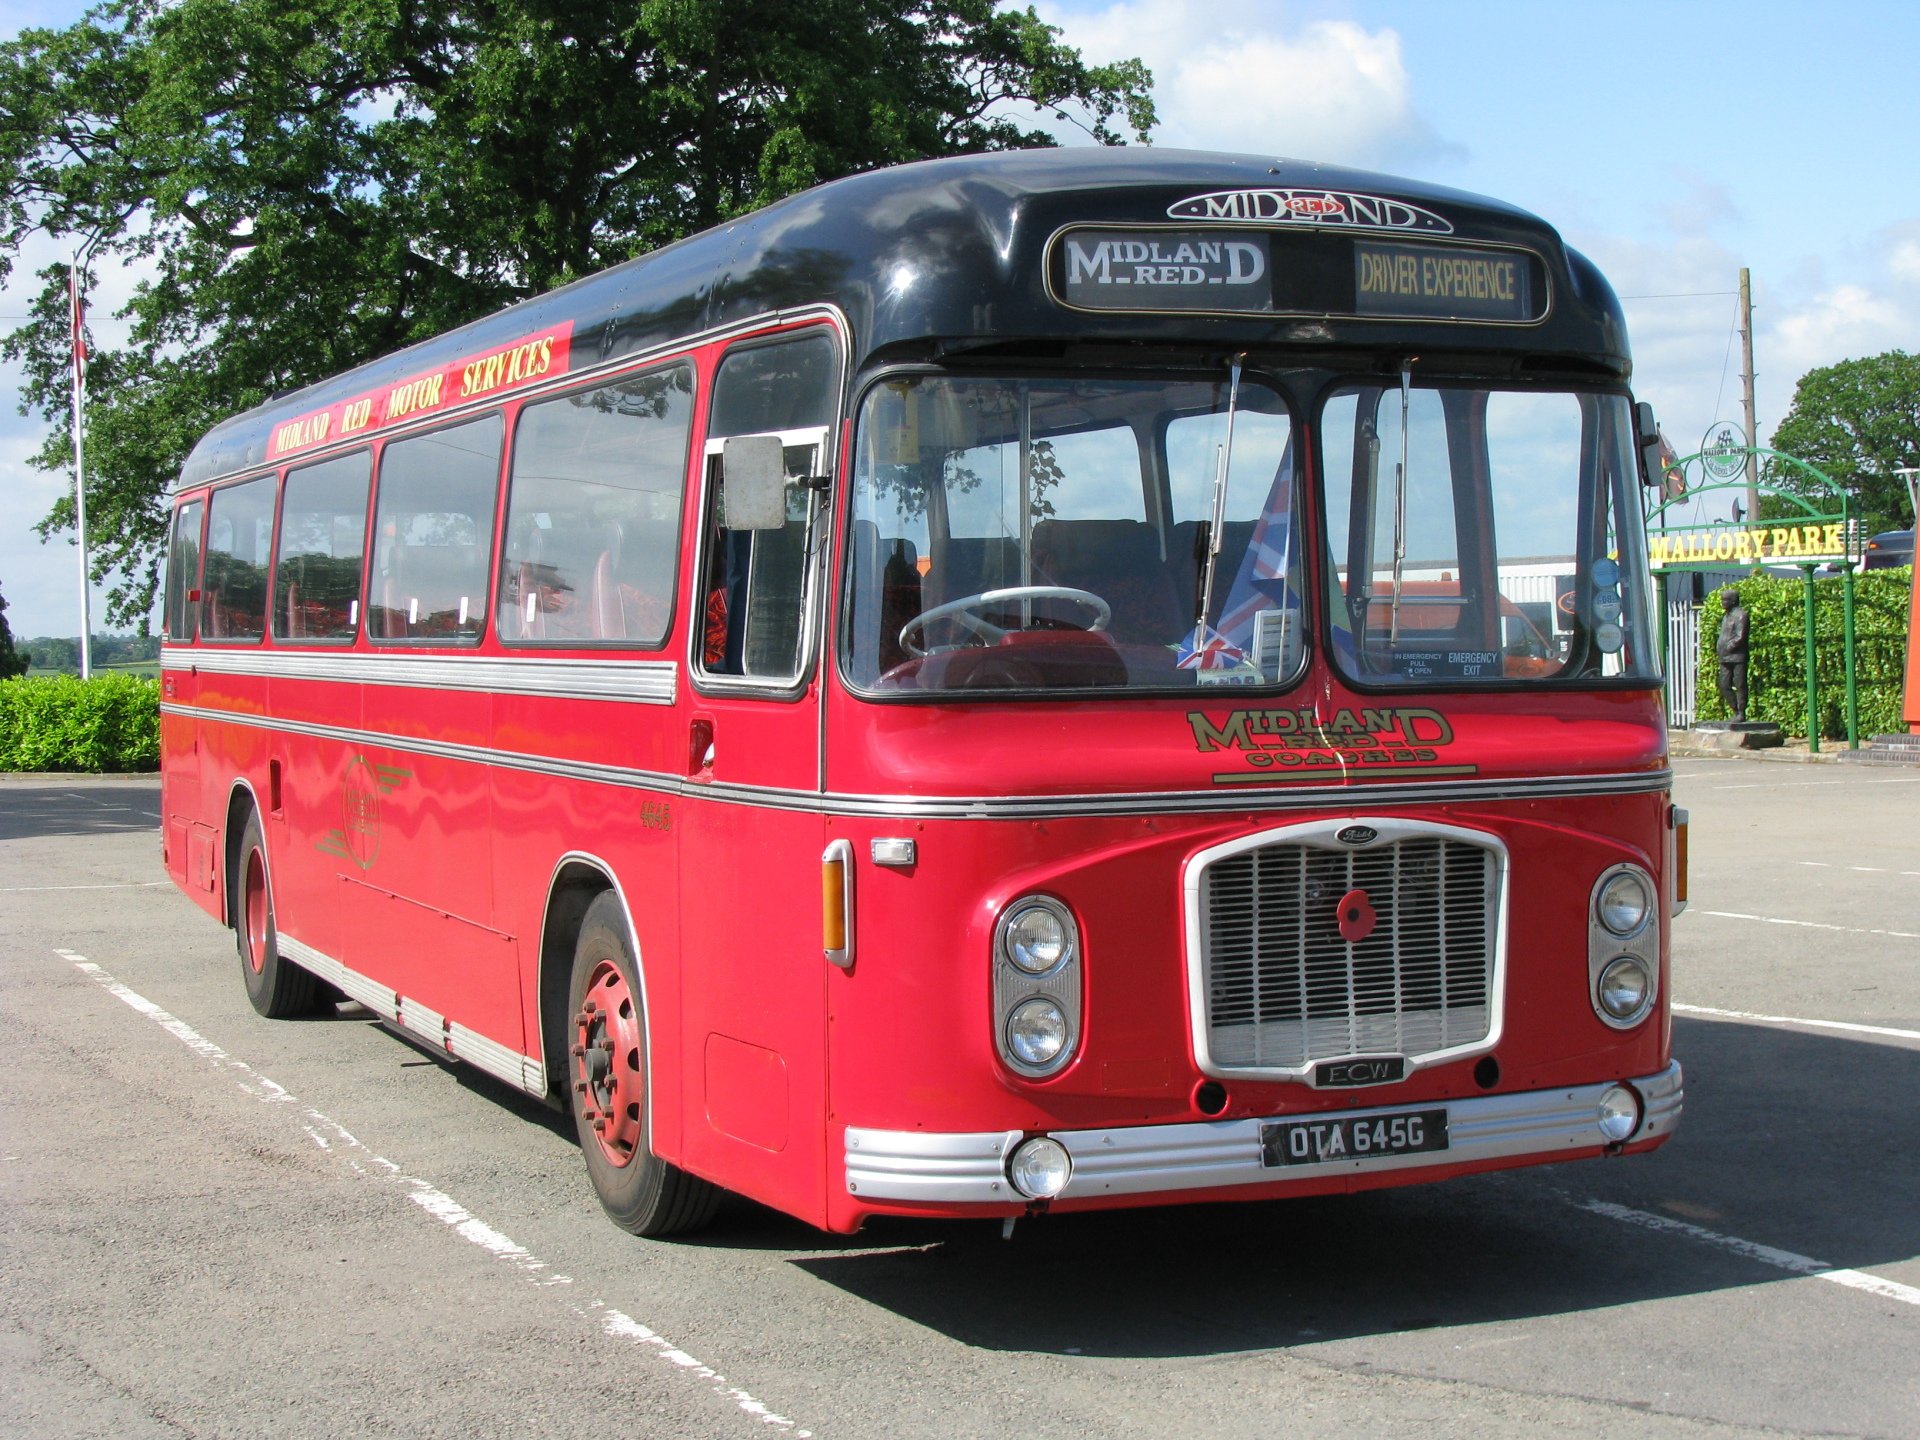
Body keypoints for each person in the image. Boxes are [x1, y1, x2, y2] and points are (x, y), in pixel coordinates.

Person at [1715, 588, 1750, 722]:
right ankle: (1735, 710)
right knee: (1724, 684)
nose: (1723, 603)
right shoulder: (1726, 616)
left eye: (1725, 600)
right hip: (1724, 657)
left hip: (1737, 656)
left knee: (1740, 684)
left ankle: (1741, 712)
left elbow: (1741, 636)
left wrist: (1730, 646)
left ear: (1733, 601)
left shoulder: (1741, 615)